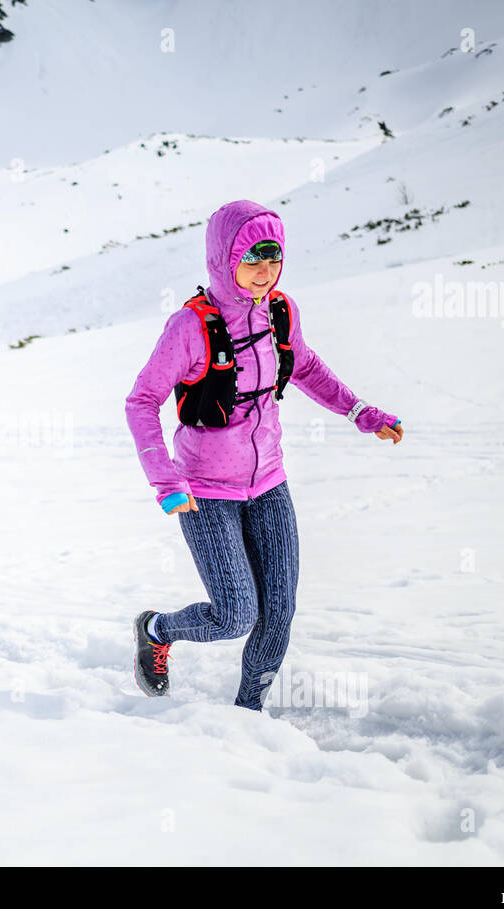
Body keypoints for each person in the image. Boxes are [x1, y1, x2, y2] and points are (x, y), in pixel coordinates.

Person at [124, 199, 403, 708]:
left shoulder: (279, 312)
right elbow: (142, 401)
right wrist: (166, 481)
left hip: (269, 482)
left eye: (274, 258)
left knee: (279, 613)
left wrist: (361, 412)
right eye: (251, 258)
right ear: (224, 259)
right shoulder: (189, 328)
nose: (264, 270)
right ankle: (156, 629)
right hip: (204, 491)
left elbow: (306, 367)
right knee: (235, 615)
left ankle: (247, 713)